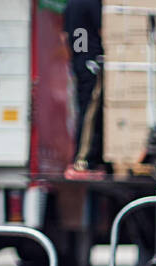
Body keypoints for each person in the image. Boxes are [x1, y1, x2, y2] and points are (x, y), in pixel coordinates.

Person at [63, 0, 104, 171]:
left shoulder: (70, 5)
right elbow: (103, 30)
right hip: (91, 62)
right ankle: (84, 158)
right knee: (91, 109)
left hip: (79, 61)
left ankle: (89, 156)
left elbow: (65, 37)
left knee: (83, 108)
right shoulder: (93, 3)